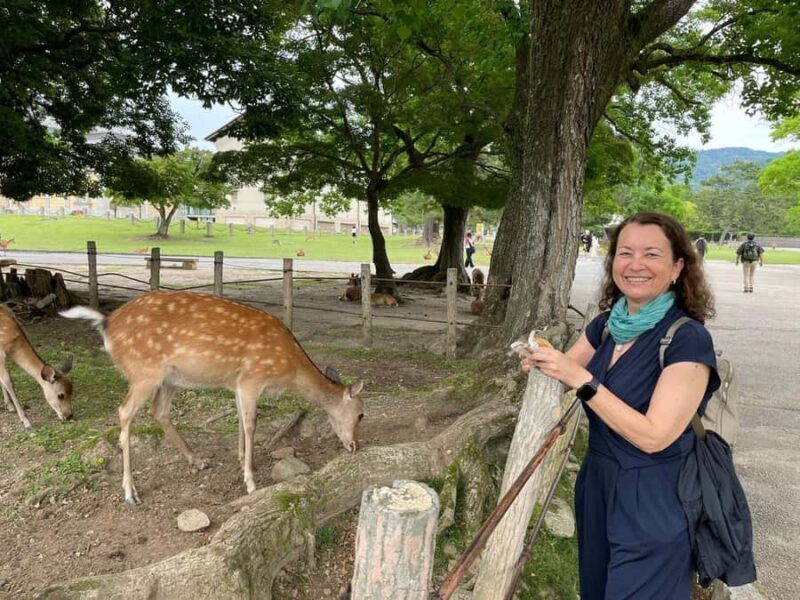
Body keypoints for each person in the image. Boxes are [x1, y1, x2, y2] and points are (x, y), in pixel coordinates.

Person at [520, 212, 720, 600]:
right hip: (597, 483)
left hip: (655, 495)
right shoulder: (608, 324)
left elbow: (654, 436)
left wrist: (580, 379)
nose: (636, 264)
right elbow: (565, 378)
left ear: (678, 267)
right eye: (625, 253)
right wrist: (541, 361)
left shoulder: (687, 340)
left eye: (652, 254)